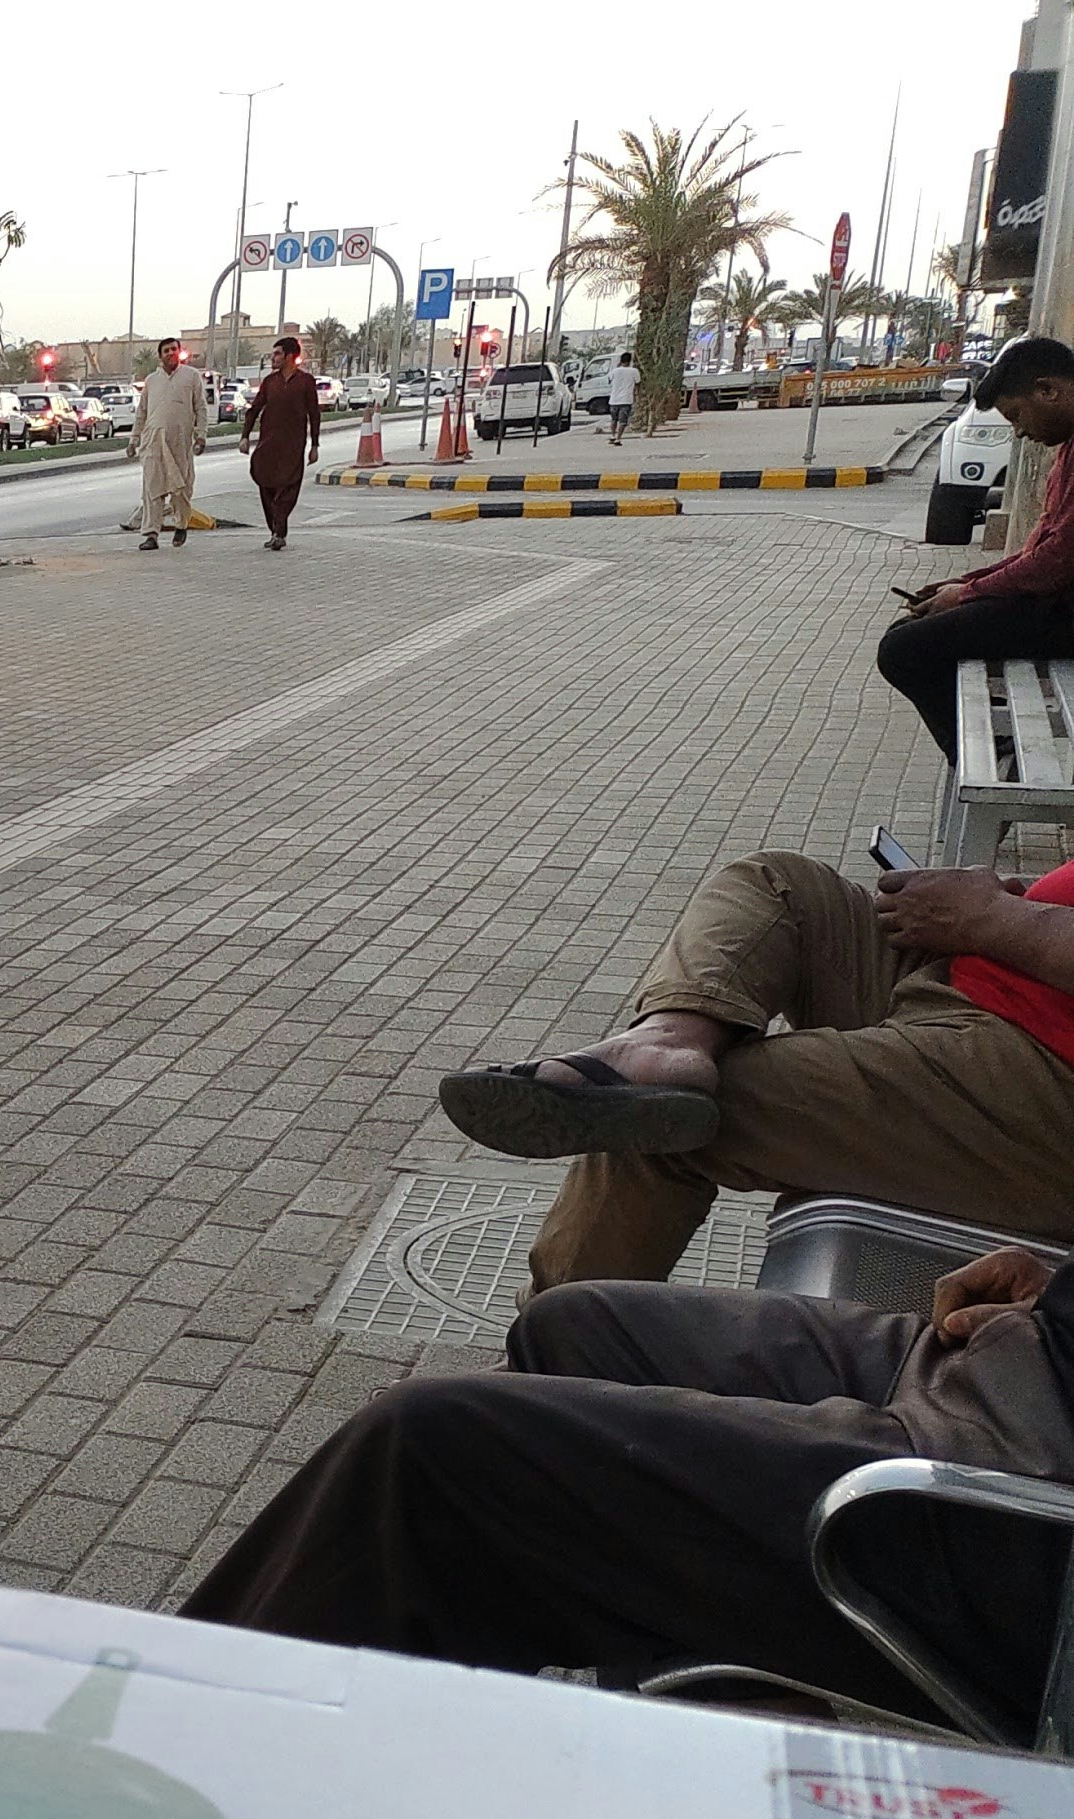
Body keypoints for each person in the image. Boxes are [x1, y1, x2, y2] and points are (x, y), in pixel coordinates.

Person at [180, 1255, 1074, 1728]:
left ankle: (136, 1801)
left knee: (438, 1453)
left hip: (1026, 1492)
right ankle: (706, 1729)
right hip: (1025, 1362)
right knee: (575, 1325)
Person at [436, 848, 1074, 1288]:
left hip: (1041, 1068)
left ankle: (543, 1369)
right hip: (997, 978)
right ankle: (669, 1041)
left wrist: (992, 916)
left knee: (653, 1121)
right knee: (780, 885)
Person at [877, 334, 1074, 756]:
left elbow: (1058, 561)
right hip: (1058, 602)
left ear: (1048, 390)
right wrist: (967, 581)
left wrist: (966, 594)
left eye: (1018, 415)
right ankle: (991, 746)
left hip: (1065, 612)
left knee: (903, 650)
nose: (1020, 432)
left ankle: (992, 759)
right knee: (907, 633)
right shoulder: (1068, 448)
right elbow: (1045, 545)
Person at [240, 333, 321, 550]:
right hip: (268, 444)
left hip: (293, 445)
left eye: (277, 354)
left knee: (288, 488)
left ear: (289, 356)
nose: (273, 358)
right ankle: (274, 529)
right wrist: (245, 437)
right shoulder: (269, 382)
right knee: (265, 483)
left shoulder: (305, 382)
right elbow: (254, 409)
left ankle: (280, 531)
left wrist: (314, 445)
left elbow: (314, 413)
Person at [132, 341, 209, 550]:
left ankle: (181, 525)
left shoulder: (191, 376)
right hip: (153, 442)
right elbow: (142, 413)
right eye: (166, 351)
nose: (171, 354)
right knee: (152, 488)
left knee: (181, 488)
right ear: (160, 356)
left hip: (180, 442)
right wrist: (134, 439)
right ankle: (151, 534)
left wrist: (201, 435)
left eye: (174, 349)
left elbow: (200, 407)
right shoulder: (151, 380)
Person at [604, 349, 636, 445]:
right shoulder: (634, 371)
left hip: (614, 399)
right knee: (623, 421)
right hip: (626, 399)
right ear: (630, 361)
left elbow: (609, 380)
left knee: (614, 419)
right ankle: (618, 438)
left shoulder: (614, 371)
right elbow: (638, 384)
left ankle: (613, 435)